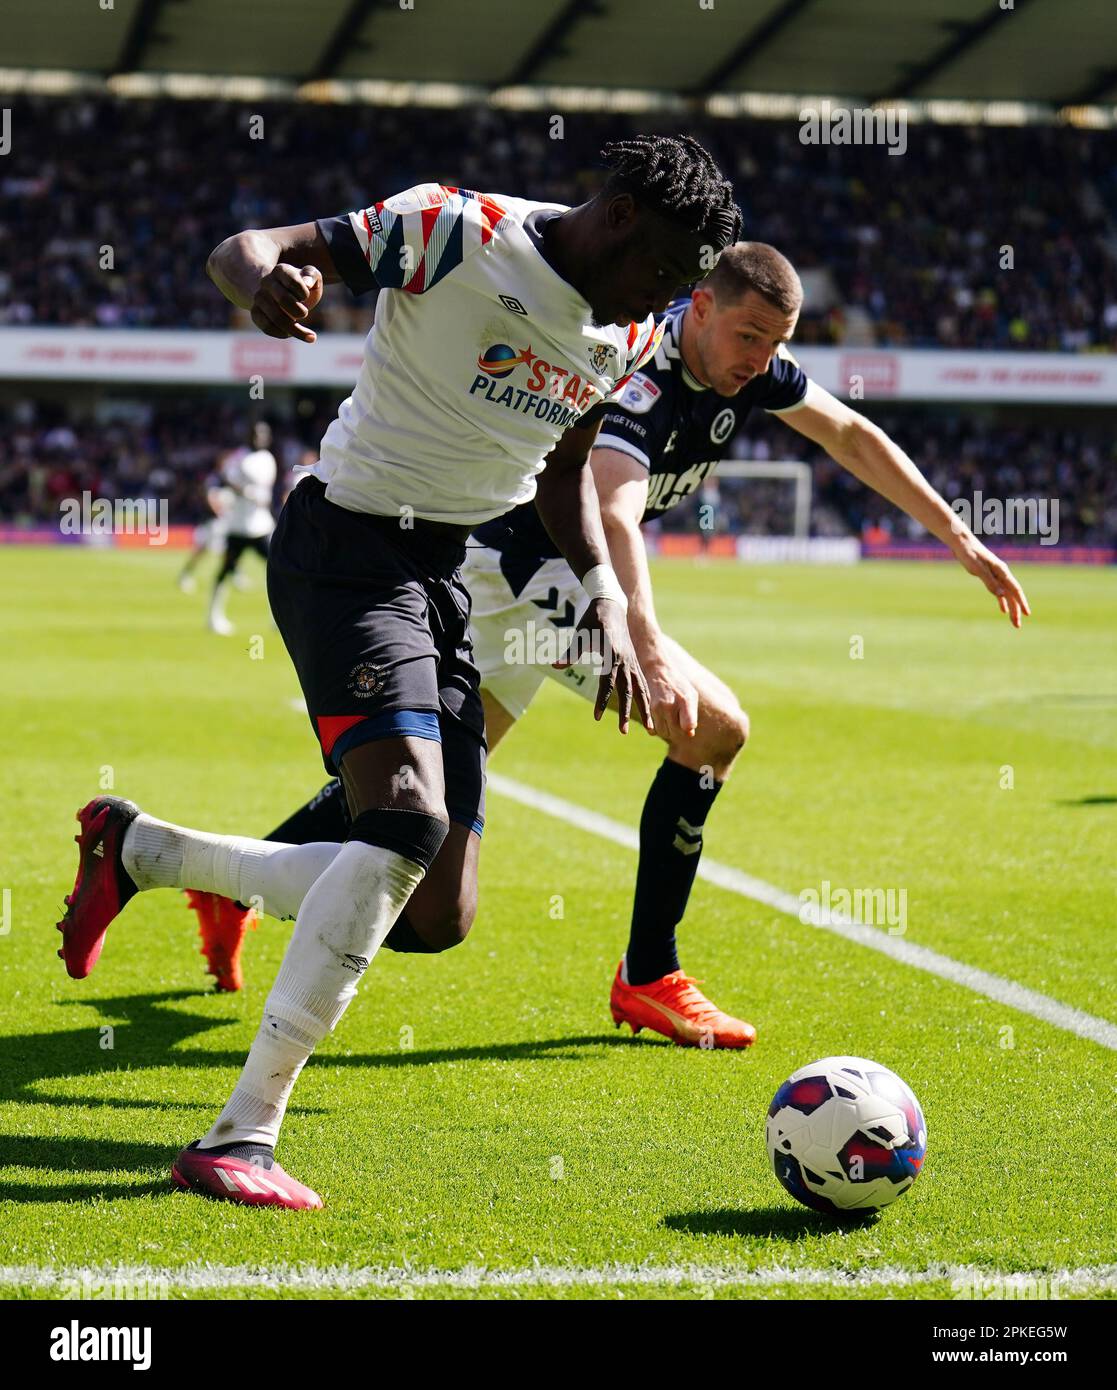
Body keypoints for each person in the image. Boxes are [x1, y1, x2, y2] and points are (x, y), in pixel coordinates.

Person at [55, 135, 744, 1209]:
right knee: (403, 824)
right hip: (346, 547)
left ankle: (140, 849)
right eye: (658, 273)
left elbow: (562, 468)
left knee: (432, 914)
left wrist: (607, 602)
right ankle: (240, 1134)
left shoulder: (639, 319)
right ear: (614, 220)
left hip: (442, 572)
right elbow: (249, 246)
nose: (654, 305)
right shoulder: (456, 231)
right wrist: (265, 284)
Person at [187, 242, 1030, 1048]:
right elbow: (614, 509)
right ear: (698, 307)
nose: (759, 357)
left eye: (777, 343)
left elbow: (847, 434)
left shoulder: (748, 366)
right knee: (714, 730)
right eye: (747, 336)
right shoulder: (640, 372)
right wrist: (646, 644)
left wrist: (957, 535)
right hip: (516, 573)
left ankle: (237, 883)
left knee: (420, 787)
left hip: (529, 582)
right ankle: (649, 974)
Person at [206, 422, 277, 635]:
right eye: (256, 434)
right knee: (226, 570)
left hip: (260, 525)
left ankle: (278, 618)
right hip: (238, 525)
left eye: (264, 434)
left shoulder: (267, 458)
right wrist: (245, 491)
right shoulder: (239, 457)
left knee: (278, 570)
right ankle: (213, 615)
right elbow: (226, 477)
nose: (260, 438)